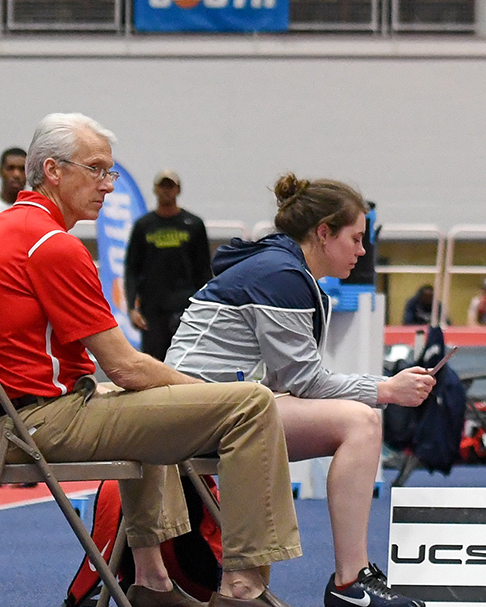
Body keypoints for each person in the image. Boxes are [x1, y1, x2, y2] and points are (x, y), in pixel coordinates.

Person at [0, 113, 300, 607]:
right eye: (96, 170)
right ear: (52, 170)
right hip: (39, 423)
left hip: (3, 421)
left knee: (153, 399)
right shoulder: (52, 245)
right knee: (251, 404)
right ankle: (242, 588)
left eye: (109, 173)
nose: (107, 186)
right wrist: (206, 391)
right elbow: (125, 366)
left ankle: (153, 581)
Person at [166, 175, 437, 607]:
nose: (363, 251)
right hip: (195, 412)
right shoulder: (280, 276)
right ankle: (352, 582)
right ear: (324, 232)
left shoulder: (282, 269)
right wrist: (386, 388)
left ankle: (341, 579)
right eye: (356, 238)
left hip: (217, 405)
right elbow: (306, 383)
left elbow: (287, 383)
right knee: (362, 421)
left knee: (351, 417)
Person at [124, 170, 212, 363]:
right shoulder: (143, 226)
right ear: (155, 189)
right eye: (162, 186)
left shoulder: (193, 224)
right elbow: (131, 268)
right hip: (153, 309)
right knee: (154, 363)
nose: (166, 191)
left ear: (178, 190)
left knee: (186, 362)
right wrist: (132, 307)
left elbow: (204, 270)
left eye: (170, 186)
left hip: (186, 308)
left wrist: (207, 307)